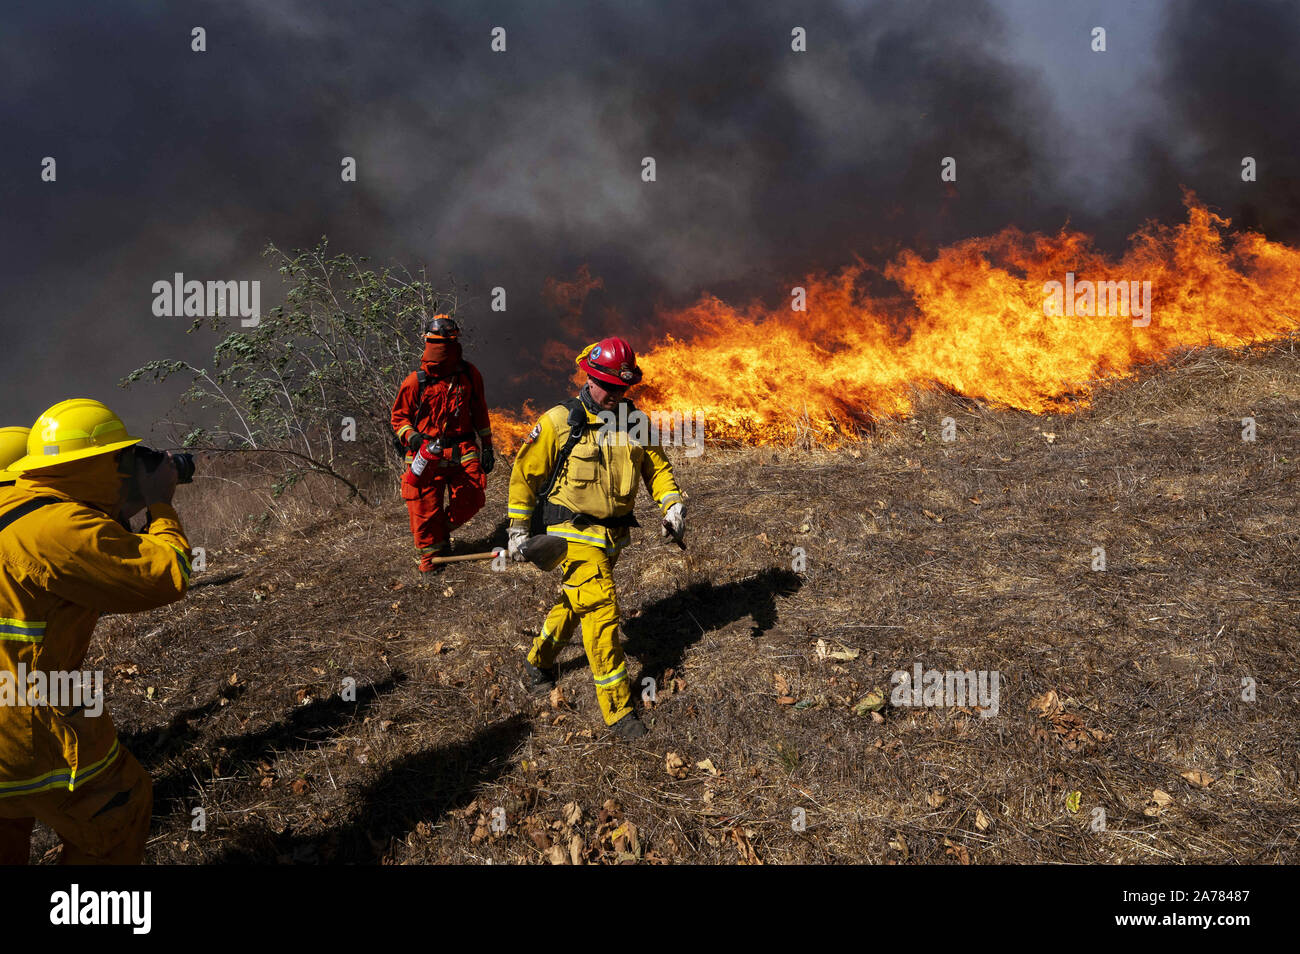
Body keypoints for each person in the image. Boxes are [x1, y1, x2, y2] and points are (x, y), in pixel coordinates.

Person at [0, 399, 191, 864]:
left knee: (9, 819)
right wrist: (160, 501)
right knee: (118, 806)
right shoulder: (62, 528)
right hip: (27, 724)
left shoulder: (16, 505)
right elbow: (166, 575)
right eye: (120, 459)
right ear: (97, 465)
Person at [507, 338, 685, 739]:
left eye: (622, 389)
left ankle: (539, 662)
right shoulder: (557, 422)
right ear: (589, 377)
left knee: (576, 603)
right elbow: (525, 476)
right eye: (608, 386)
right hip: (569, 533)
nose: (615, 395)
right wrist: (518, 531)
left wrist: (672, 505)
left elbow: (656, 469)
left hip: (613, 536)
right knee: (602, 609)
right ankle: (618, 712)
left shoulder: (635, 421)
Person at [391, 316, 495, 572]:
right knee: (422, 510)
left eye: (448, 343)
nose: (443, 350)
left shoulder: (469, 375)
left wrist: (488, 446)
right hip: (425, 455)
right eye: (437, 343)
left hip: (462, 451)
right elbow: (399, 418)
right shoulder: (416, 381)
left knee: (472, 497)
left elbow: (480, 411)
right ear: (428, 343)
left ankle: (441, 530)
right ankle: (431, 560)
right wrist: (412, 437)